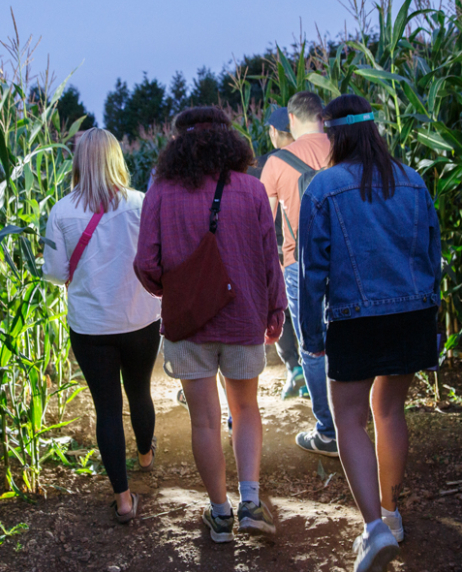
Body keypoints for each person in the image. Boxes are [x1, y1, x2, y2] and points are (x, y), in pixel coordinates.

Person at [297, 95, 441, 572]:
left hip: (356, 319)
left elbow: (312, 271)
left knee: (350, 420)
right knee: (390, 410)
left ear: (334, 135)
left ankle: (374, 529)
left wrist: (312, 334)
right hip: (412, 314)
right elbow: (430, 252)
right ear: (374, 131)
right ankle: (392, 512)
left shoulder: (324, 186)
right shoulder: (413, 181)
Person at [134, 106, 287, 543]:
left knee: (204, 420)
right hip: (243, 316)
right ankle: (252, 503)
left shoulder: (161, 190)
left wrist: (175, 290)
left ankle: (220, 514)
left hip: (188, 324)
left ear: (178, 143)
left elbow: (146, 262)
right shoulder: (252, 190)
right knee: (245, 410)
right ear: (229, 140)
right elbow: (268, 259)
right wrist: (274, 309)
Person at [42, 127, 162, 523]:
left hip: (91, 326)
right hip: (140, 317)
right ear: (116, 160)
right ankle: (145, 456)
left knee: (107, 408)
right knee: (140, 391)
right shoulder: (141, 204)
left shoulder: (61, 212)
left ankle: (124, 500)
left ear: (79, 163)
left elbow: (57, 275)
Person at [259, 91, 337, 456]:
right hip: (348, 261)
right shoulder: (346, 148)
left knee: (313, 346)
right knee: (347, 340)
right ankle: (355, 423)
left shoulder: (276, 162)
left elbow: (260, 225)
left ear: (291, 120)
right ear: (322, 116)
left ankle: (328, 430)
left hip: (299, 264)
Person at [248, 107, 307, 400]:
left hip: (284, 250)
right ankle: (308, 374)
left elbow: (263, 216)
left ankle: (296, 369)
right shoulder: (315, 154)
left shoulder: (270, 163)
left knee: (282, 309)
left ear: (274, 132)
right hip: (315, 249)